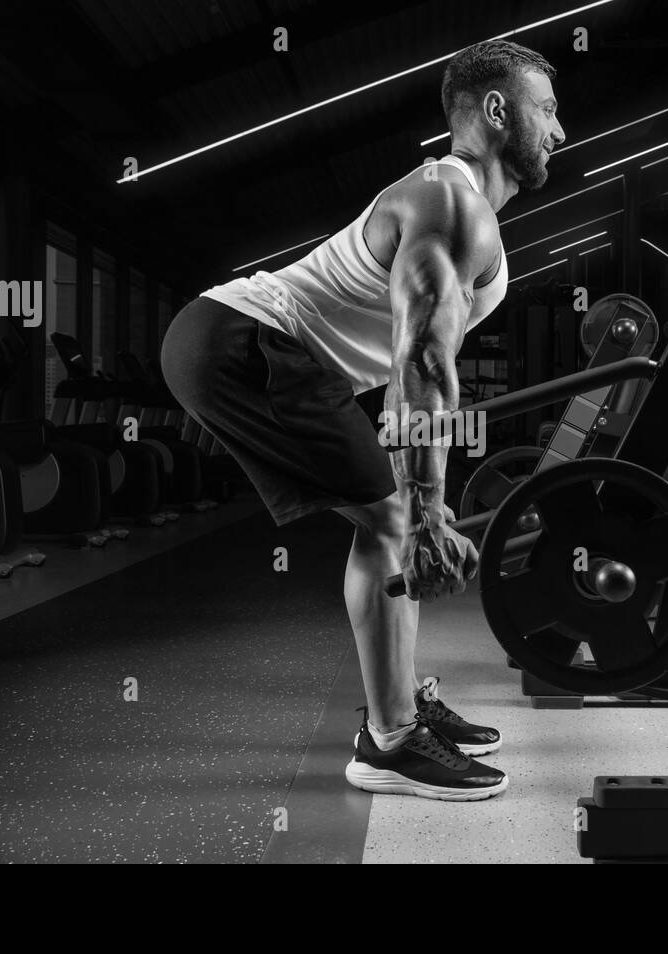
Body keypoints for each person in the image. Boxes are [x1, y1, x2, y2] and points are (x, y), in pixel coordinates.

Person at [161, 39, 564, 801]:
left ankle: (399, 710)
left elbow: (403, 370)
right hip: (244, 339)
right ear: (497, 109)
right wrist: (429, 509)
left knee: (386, 518)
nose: (560, 129)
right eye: (546, 108)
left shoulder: (466, 212)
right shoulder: (450, 205)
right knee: (391, 523)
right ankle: (388, 743)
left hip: (257, 347)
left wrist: (420, 498)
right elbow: (420, 359)